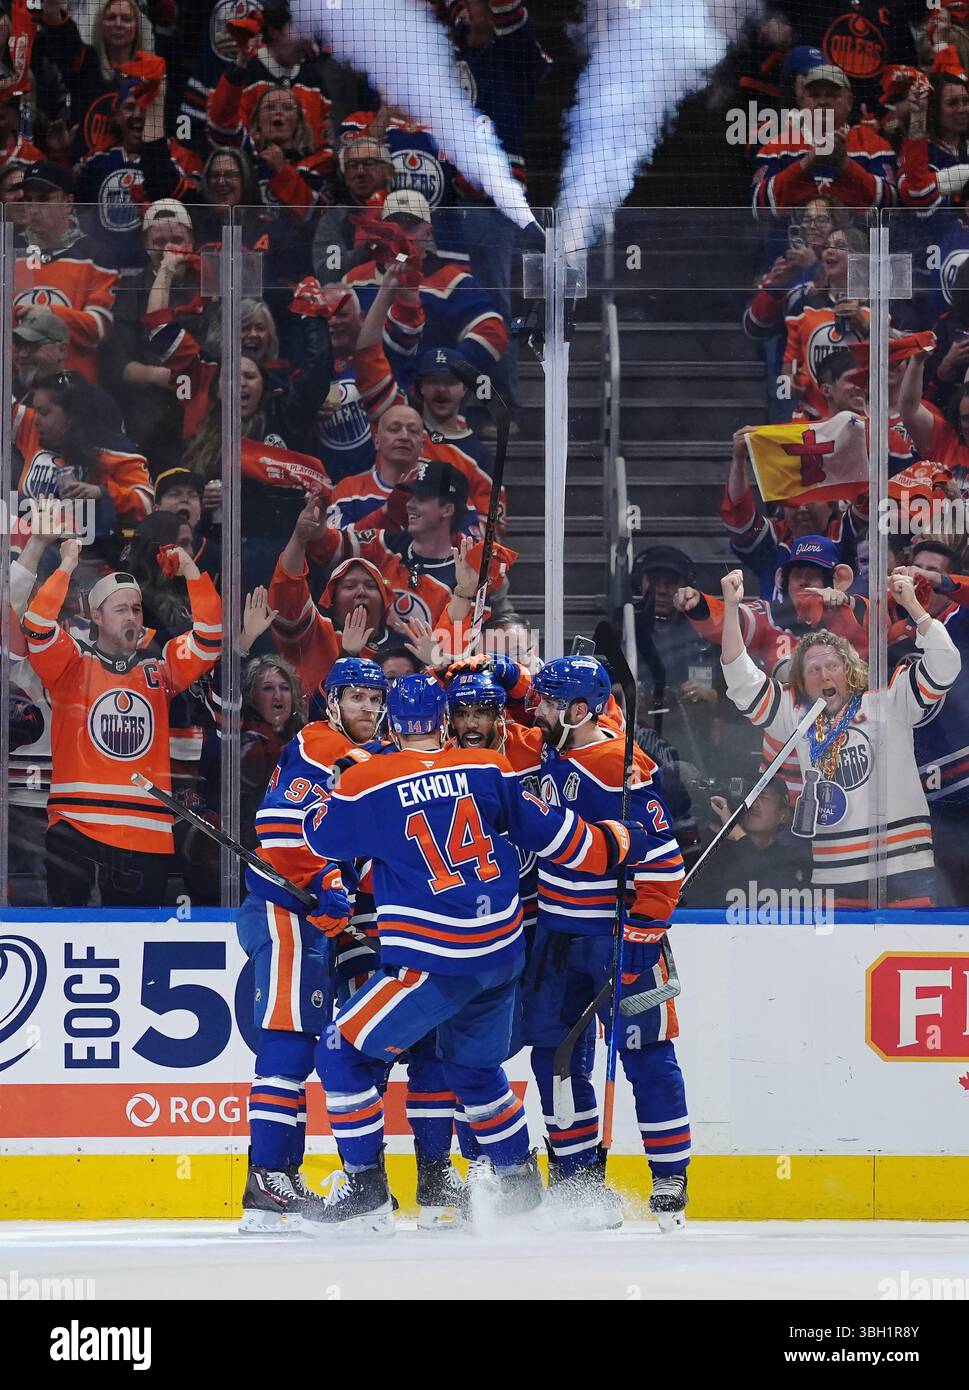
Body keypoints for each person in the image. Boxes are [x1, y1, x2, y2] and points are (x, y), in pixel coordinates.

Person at [298, 671, 657, 1231]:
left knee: (340, 1052)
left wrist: (333, 788)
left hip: (434, 960)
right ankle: (519, 1190)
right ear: (443, 723)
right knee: (475, 1069)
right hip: (500, 955)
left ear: (392, 722)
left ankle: (366, 1193)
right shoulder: (489, 769)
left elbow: (319, 835)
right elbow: (553, 833)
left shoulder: (369, 780)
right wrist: (619, 840)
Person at [516, 654, 690, 1231]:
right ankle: (578, 1182)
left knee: (646, 1054)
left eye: (547, 701)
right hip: (560, 942)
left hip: (620, 937)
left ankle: (669, 1181)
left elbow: (663, 864)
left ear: (579, 710)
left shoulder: (619, 764)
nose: (536, 711)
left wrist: (643, 935)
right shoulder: (558, 752)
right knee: (556, 1058)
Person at [236, 656, 386, 1232]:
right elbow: (278, 828)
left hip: (313, 917)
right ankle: (268, 1178)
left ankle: (280, 1178)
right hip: (284, 910)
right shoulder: (320, 744)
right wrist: (325, 883)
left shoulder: (365, 752)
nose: (368, 709)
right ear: (332, 702)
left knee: (304, 1043)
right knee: (287, 1046)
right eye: (357, 699)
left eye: (376, 699)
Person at [719, 567, 961, 907]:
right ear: (801, 682)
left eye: (832, 665)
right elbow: (741, 681)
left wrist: (915, 609)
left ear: (850, 671)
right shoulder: (797, 714)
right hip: (834, 874)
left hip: (905, 866)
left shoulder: (889, 701)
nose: (823, 674)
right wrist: (731, 609)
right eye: (813, 670)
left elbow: (945, 664)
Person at [22, 537, 222, 907]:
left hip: (145, 834)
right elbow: (36, 625)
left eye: (136, 609)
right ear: (96, 615)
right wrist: (66, 564)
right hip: (75, 826)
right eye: (120, 610)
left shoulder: (159, 671)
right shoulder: (71, 663)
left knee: (134, 942)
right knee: (71, 933)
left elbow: (209, 639)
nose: (132, 616)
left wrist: (191, 571)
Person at [344, 190, 509, 388]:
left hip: (428, 399)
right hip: (365, 396)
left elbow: (493, 332)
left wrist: (446, 369)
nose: (401, 236)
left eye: (410, 228)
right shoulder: (354, 280)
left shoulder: (453, 281)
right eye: (392, 228)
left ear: (428, 232)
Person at [14, 161, 118, 384]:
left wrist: (49, 314)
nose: (32, 209)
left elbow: (98, 327)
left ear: (68, 203)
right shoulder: (11, 252)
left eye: (43, 199)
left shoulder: (95, 256)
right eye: (28, 200)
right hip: (16, 390)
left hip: (73, 393)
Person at [752, 62, 896, 216]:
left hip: (857, 239)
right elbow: (759, 208)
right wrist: (809, 160)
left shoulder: (874, 145)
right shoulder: (776, 146)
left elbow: (888, 206)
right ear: (802, 102)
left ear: (849, 101)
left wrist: (845, 164)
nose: (823, 101)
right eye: (815, 95)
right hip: (792, 238)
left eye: (832, 95)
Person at [692, 777, 814, 911]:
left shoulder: (794, 859)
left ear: (783, 815)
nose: (753, 803)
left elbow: (772, 892)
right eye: (750, 797)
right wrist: (714, 825)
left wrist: (737, 833)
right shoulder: (720, 853)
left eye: (763, 797)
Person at [311, 136, 395, 284]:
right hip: (354, 297)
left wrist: (400, 254)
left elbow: (423, 258)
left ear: (389, 171)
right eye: (352, 165)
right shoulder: (335, 218)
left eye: (369, 163)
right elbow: (328, 273)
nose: (360, 172)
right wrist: (370, 248)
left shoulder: (407, 208)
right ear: (345, 176)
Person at [12, 306, 69, 403]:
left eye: (31, 346)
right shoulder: (8, 392)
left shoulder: (83, 399)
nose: (22, 354)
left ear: (61, 350)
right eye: (18, 345)